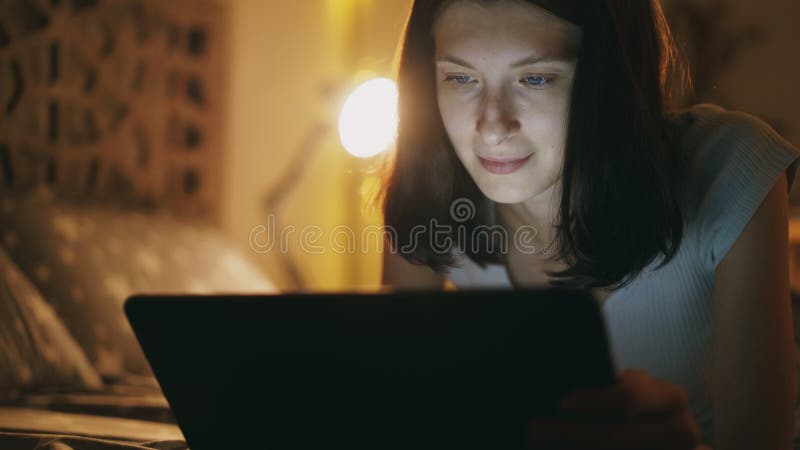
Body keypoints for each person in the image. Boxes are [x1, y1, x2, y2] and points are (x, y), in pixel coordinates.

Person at [379, 0, 800, 448]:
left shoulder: (730, 168)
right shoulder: (432, 204)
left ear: (609, 80)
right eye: (461, 78)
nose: (492, 125)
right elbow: (387, 413)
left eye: (535, 78)